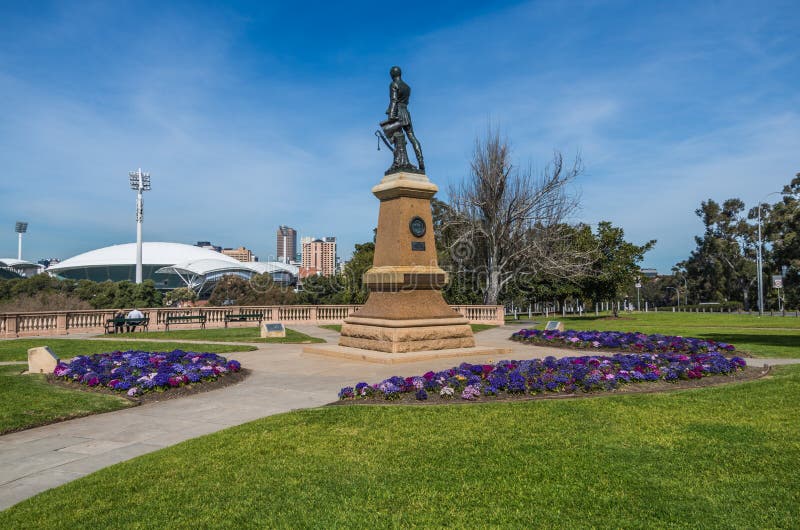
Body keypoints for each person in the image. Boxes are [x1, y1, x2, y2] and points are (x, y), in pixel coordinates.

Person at [385, 66, 424, 172]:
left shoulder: (394, 84)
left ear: (392, 75)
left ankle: (398, 162)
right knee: (412, 137)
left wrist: (391, 117)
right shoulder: (407, 87)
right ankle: (421, 162)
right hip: (406, 112)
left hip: (397, 112)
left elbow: (394, 101)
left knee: (397, 138)